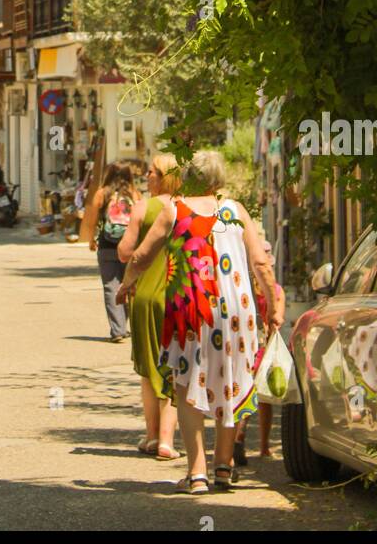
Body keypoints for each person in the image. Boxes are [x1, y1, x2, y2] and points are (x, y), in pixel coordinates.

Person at [123, 150, 281, 494]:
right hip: (237, 313)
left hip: (191, 310)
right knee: (234, 381)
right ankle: (224, 467)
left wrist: (125, 285)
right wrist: (274, 303)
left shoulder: (174, 210)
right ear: (219, 179)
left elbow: (140, 255)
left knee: (187, 387)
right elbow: (261, 262)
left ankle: (197, 473)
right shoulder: (236, 211)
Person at [115, 154, 183, 461]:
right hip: (179, 297)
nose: (147, 176)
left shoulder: (143, 208)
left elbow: (125, 252)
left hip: (144, 297)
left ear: (164, 176)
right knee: (173, 367)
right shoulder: (187, 209)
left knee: (149, 369)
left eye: (152, 173)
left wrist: (127, 279)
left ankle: (153, 436)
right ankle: (167, 440)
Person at [233, 233, 286, 465]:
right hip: (264, 347)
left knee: (241, 393)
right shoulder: (275, 291)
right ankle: (264, 447)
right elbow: (278, 321)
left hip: (243, 345)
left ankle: (238, 434)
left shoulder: (241, 286)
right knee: (264, 399)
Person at [81, 162, 139, 342]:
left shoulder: (102, 193)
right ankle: (123, 326)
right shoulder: (134, 194)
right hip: (129, 246)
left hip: (107, 245)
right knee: (128, 286)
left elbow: (91, 219)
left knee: (110, 286)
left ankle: (118, 329)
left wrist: (91, 239)